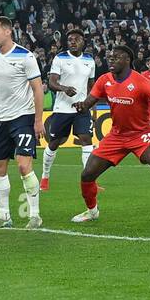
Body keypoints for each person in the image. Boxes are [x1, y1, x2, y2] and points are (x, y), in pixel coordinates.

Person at [71, 44, 150, 224]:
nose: (111, 59)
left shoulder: (141, 83)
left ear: (127, 60)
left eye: (116, 57)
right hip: (116, 136)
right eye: (110, 56)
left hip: (140, 134)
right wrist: (82, 105)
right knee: (87, 175)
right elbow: (90, 101)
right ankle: (92, 212)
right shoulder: (104, 80)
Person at [0, 17, 45, 228]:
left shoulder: (26, 56)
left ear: (7, 32)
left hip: (23, 117)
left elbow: (37, 88)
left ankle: (35, 215)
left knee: (24, 166)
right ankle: (4, 216)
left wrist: (38, 120)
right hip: (1, 119)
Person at [40, 29, 97, 192]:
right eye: (70, 39)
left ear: (83, 42)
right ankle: (45, 176)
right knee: (54, 143)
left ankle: (88, 181)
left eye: (76, 39)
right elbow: (51, 82)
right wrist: (64, 88)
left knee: (87, 141)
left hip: (82, 108)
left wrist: (93, 110)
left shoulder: (89, 60)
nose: (72, 41)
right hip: (62, 109)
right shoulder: (60, 58)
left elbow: (92, 87)